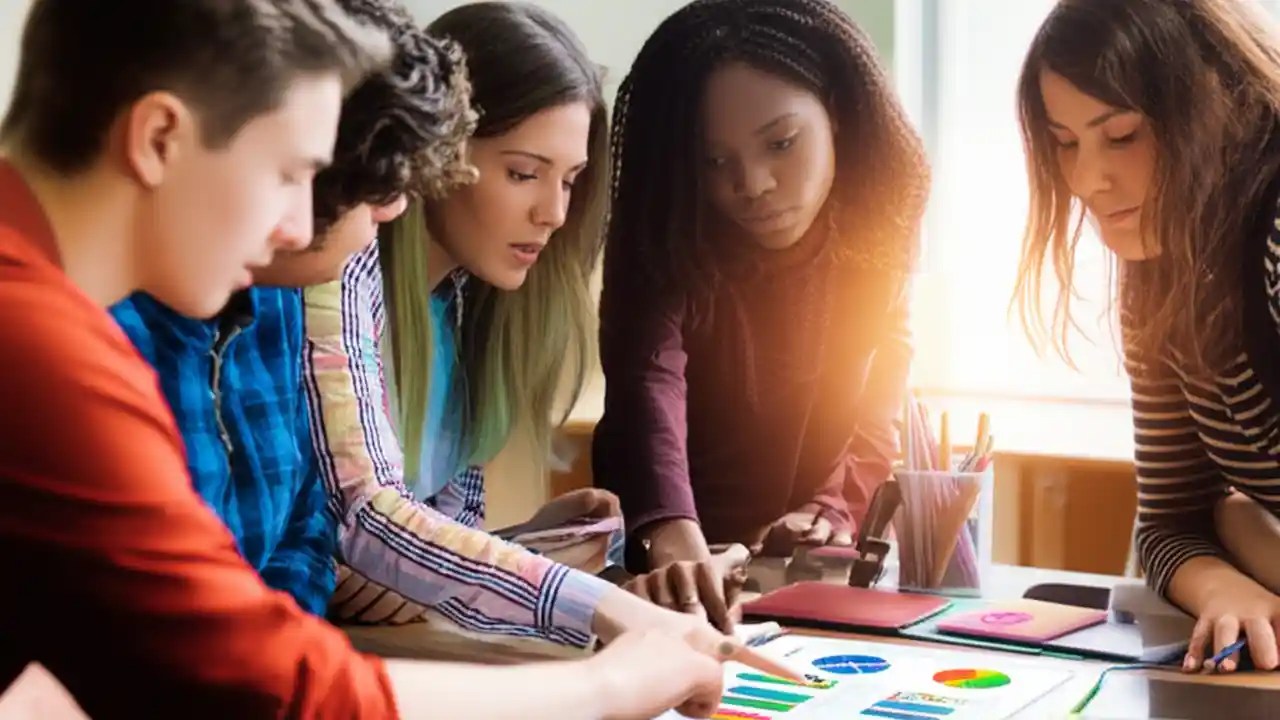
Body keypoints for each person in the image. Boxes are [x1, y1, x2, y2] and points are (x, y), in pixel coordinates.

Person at [0, 1, 776, 717]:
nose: (304, 225)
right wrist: (614, 680)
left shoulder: (54, 320)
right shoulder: (39, 350)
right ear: (160, 139)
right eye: (292, 174)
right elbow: (258, 676)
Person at [107, 0, 473, 619]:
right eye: (289, 173)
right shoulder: (91, 337)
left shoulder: (274, 297)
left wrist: (277, 631)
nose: (298, 223)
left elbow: (306, 521)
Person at [592, 0, 930, 628]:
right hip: (667, 553)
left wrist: (834, 506)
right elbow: (647, 383)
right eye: (715, 161)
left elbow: (885, 380)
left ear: (839, 115)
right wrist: (673, 541)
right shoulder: (665, 230)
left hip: (813, 557)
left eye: (780, 143)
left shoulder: (880, 217)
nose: (752, 184)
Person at [305, 1, 630, 638]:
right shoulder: (342, 268)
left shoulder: (466, 303)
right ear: (435, 150)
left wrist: (532, 542)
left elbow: (441, 530)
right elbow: (366, 516)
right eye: (524, 173)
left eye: (570, 181)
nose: (554, 214)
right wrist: (602, 607)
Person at [1014, 0, 1280, 675]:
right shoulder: (1159, 274)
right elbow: (1168, 521)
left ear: (1219, 105)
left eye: (1123, 135)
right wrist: (1222, 580)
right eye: (1066, 142)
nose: (1085, 181)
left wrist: (1243, 532)